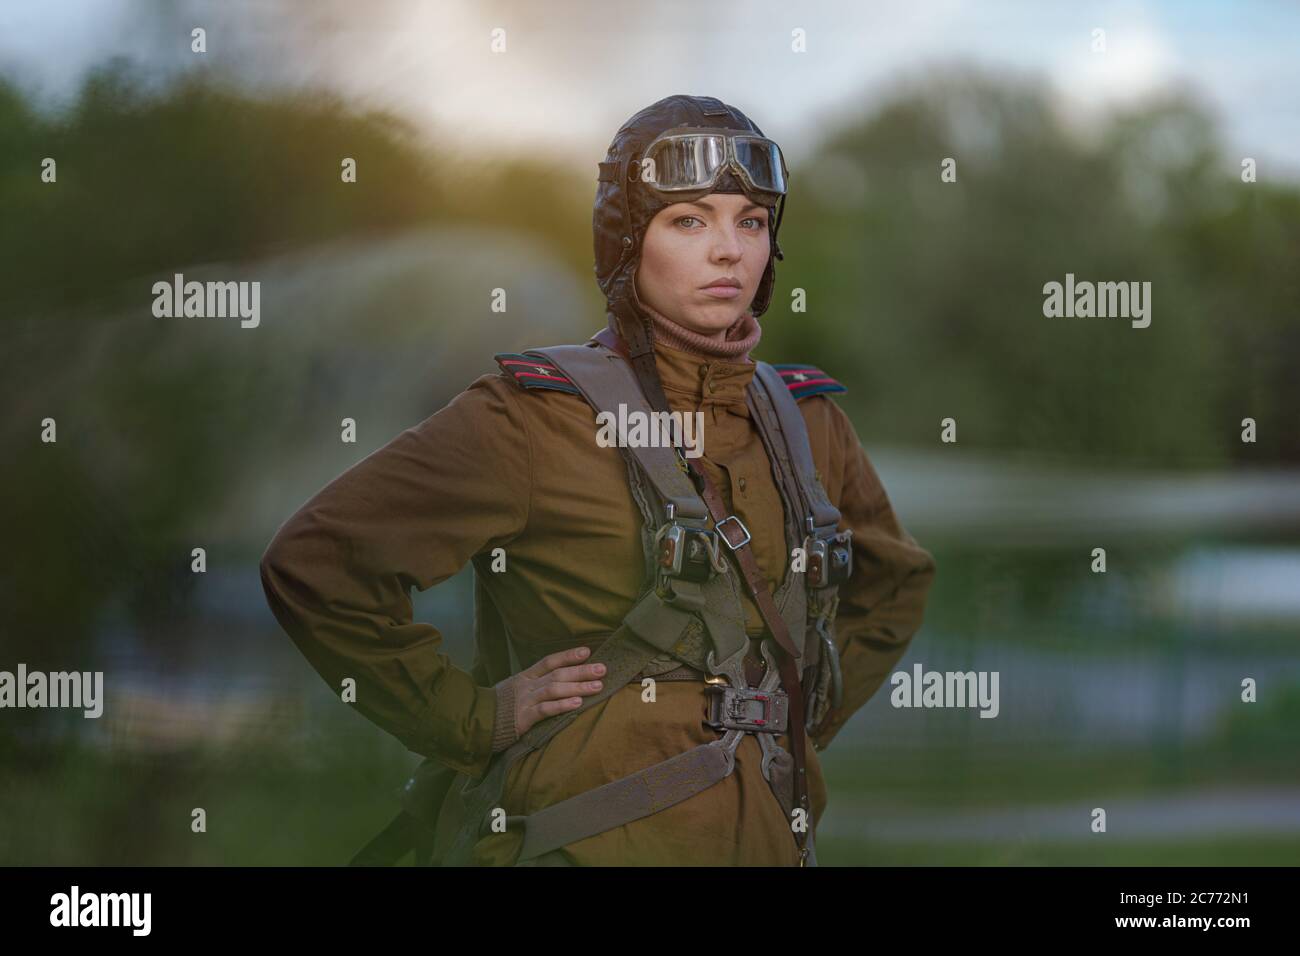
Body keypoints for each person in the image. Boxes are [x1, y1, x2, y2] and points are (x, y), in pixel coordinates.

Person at [259, 93, 936, 867]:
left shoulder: (805, 422)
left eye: (750, 221)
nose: (729, 251)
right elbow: (317, 565)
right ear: (626, 243)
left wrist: (796, 715)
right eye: (690, 221)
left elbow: (896, 583)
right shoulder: (531, 420)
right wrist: (470, 721)